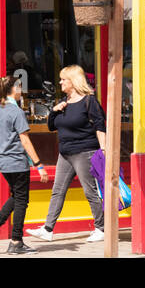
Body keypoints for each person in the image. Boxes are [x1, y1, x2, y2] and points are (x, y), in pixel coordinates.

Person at [26, 65, 107, 242]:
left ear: (74, 81)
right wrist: (54, 111)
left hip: (85, 152)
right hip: (65, 153)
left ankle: (101, 228)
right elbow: (51, 126)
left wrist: (103, 148)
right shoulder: (64, 101)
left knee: (90, 191)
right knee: (58, 191)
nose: (60, 82)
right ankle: (47, 229)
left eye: (64, 79)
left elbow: (100, 125)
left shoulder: (89, 101)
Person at [0, 76, 48, 254]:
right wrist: (39, 165)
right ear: (13, 90)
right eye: (19, 87)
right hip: (17, 162)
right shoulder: (16, 111)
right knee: (21, 200)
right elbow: (25, 140)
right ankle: (16, 241)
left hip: (3, 162)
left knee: (17, 196)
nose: (21, 91)